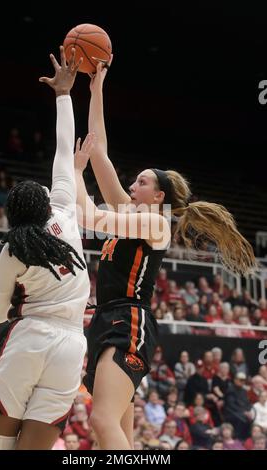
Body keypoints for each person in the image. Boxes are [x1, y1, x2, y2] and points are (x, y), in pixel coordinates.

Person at [74, 59, 257, 450]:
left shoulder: (156, 224)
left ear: (158, 196)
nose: (131, 185)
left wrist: (74, 171)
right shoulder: (131, 214)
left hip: (129, 321)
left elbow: (87, 214)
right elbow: (100, 147)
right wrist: (96, 89)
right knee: (116, 431)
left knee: (102, 421)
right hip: (108, 319)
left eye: (141, 182)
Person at [0, 47, 90, 450]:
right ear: (45, 201)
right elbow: (64, 149)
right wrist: (64, 93)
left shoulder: (13, 250)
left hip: (28, 338)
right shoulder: (64, 210)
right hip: (71, 345)